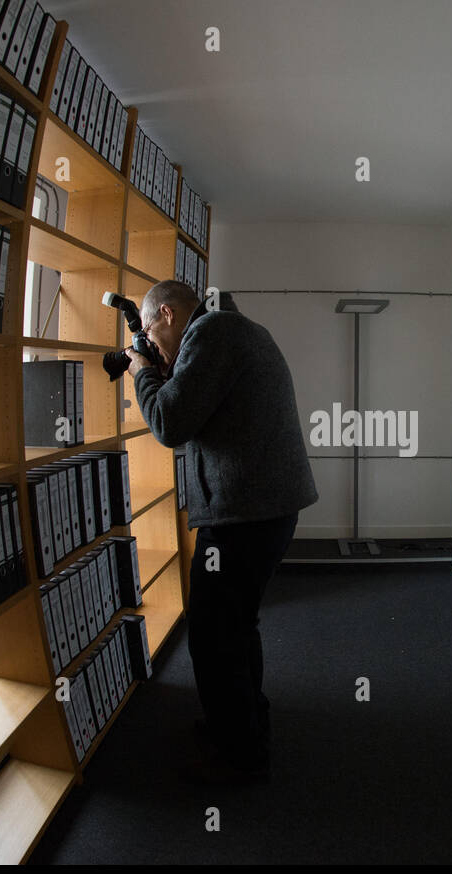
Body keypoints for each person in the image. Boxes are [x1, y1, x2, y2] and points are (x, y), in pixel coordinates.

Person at [126, 281, 318, 783]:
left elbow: (169, 423)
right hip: (264, 510)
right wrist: (164, 368)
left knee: (213, 637)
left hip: (244, 516)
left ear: (167, 313)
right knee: (237, 625)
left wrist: (142, 372)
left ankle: (240, 752)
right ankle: (247, 725)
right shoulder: (236, 329)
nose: (152, 342)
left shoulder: (213, 335)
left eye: (150, 330)